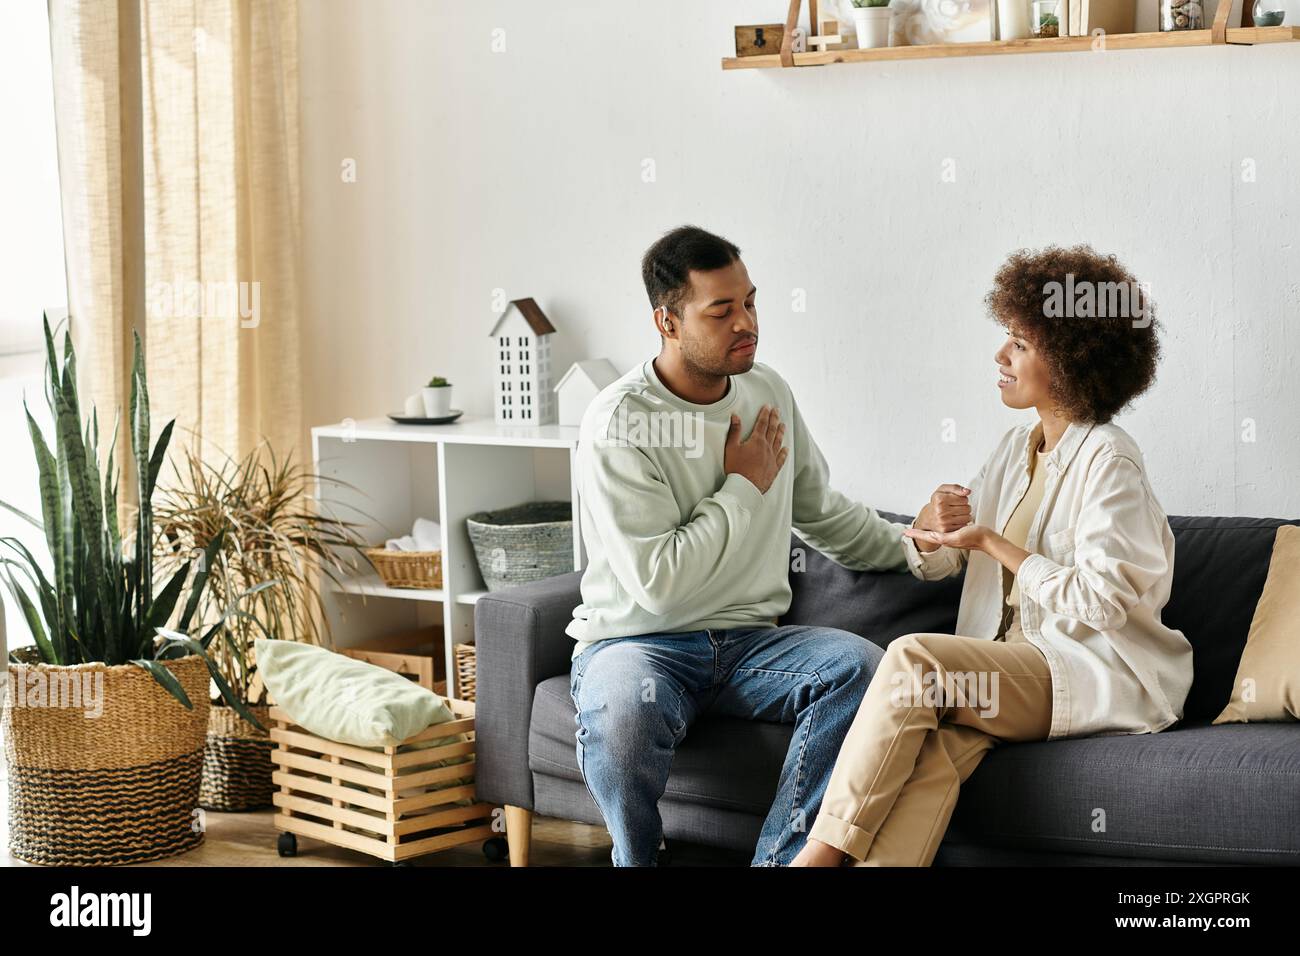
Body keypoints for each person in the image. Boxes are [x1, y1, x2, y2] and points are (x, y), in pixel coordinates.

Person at [792, 244, 1194, 867]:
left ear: (1067, 359)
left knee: (916, 658)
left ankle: (813, 860)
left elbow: (1104, 603)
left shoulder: (1110, 459)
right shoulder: (1016, 447)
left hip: (1083, 668)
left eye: (1018, 344)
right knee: (932, 756)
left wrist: (996, 545)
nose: (999, 357)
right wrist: (929, 528)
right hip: (1005, 670)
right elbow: (944, 558)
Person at [568, 225, 910, 866]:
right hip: (639, 642)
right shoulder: (620, 422)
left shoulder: (767, 393)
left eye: (750, 303)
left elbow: (820, 512)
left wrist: (914, 547)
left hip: (751, 642)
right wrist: (744, 484)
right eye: (721, 311)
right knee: (622, 713)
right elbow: (660, 583)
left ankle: (780, 861)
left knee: (863, 670)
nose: (746, 323)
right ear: (666, 321)